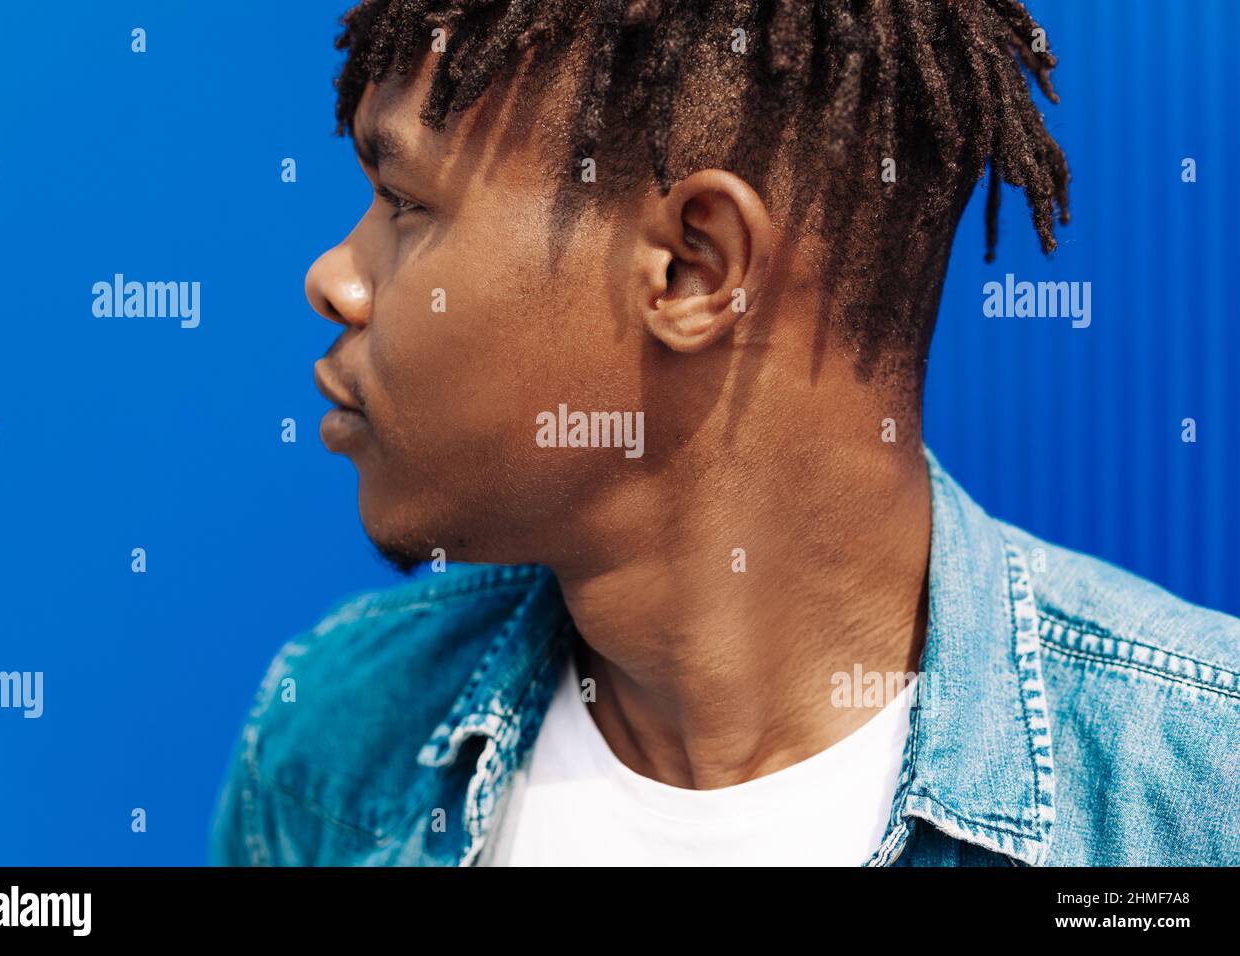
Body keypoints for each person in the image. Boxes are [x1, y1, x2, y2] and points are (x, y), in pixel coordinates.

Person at [210, 0, 1240, 866]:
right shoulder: (331, 750)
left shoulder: (1198, 788)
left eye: (402, 202)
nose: (335, 276)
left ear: (694, 270)